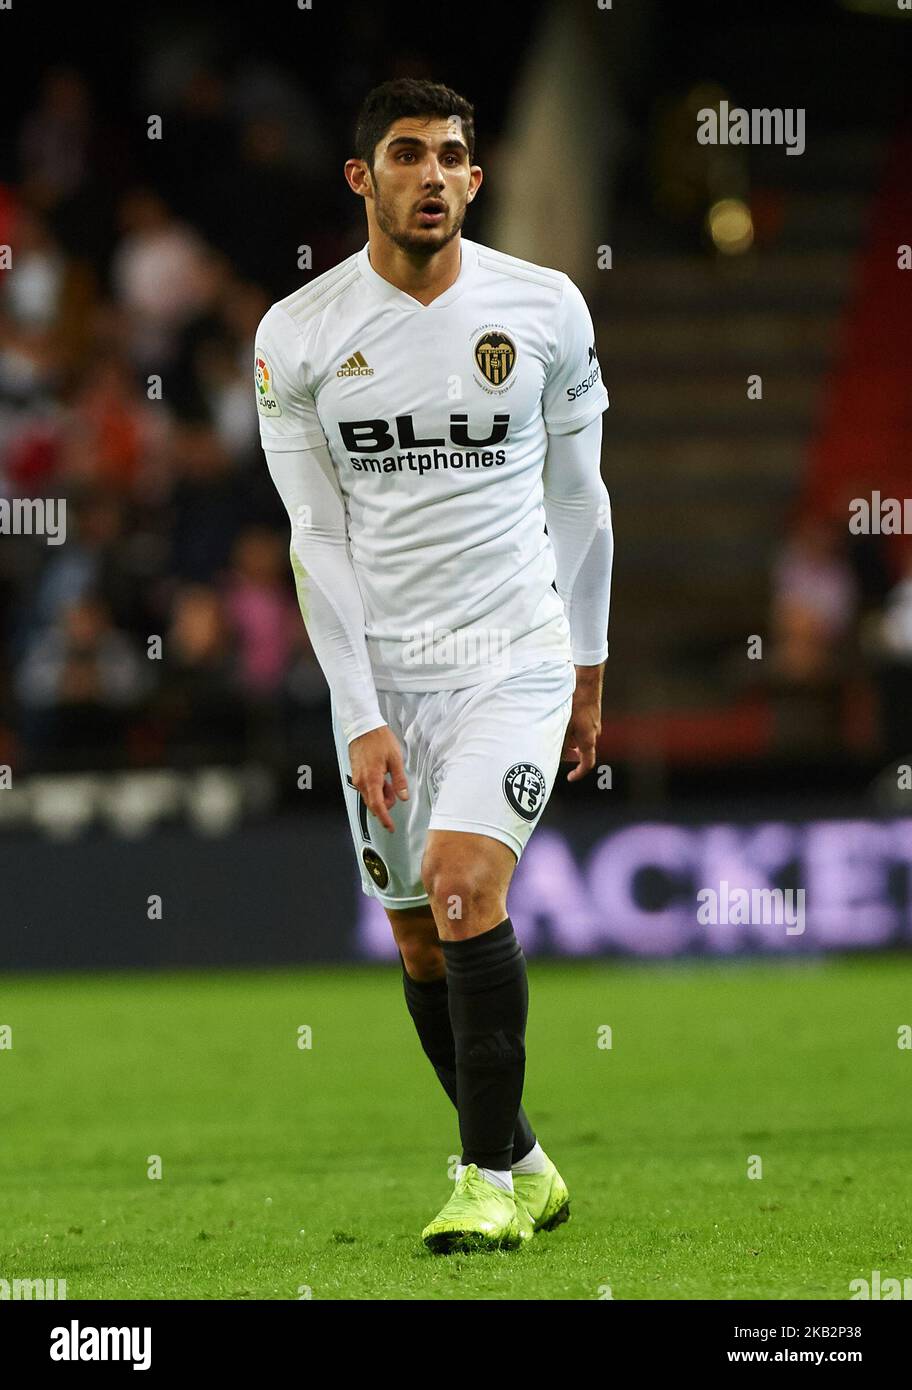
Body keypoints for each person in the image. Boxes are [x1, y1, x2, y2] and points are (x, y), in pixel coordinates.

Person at [257, 78, 612, 1253]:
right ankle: (521, 1157)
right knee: (419, 936)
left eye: (452, 155)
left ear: (476, 176)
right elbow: (316, 541)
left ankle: (481, 1181)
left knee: (465, 888)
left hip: (513, 653)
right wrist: (359, 714)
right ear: (362, 178)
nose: (432, 174)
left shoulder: (545, 308)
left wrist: (589, 666)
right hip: (385, 673)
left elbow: (581, 500)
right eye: (405, 154)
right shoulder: (299, 335)